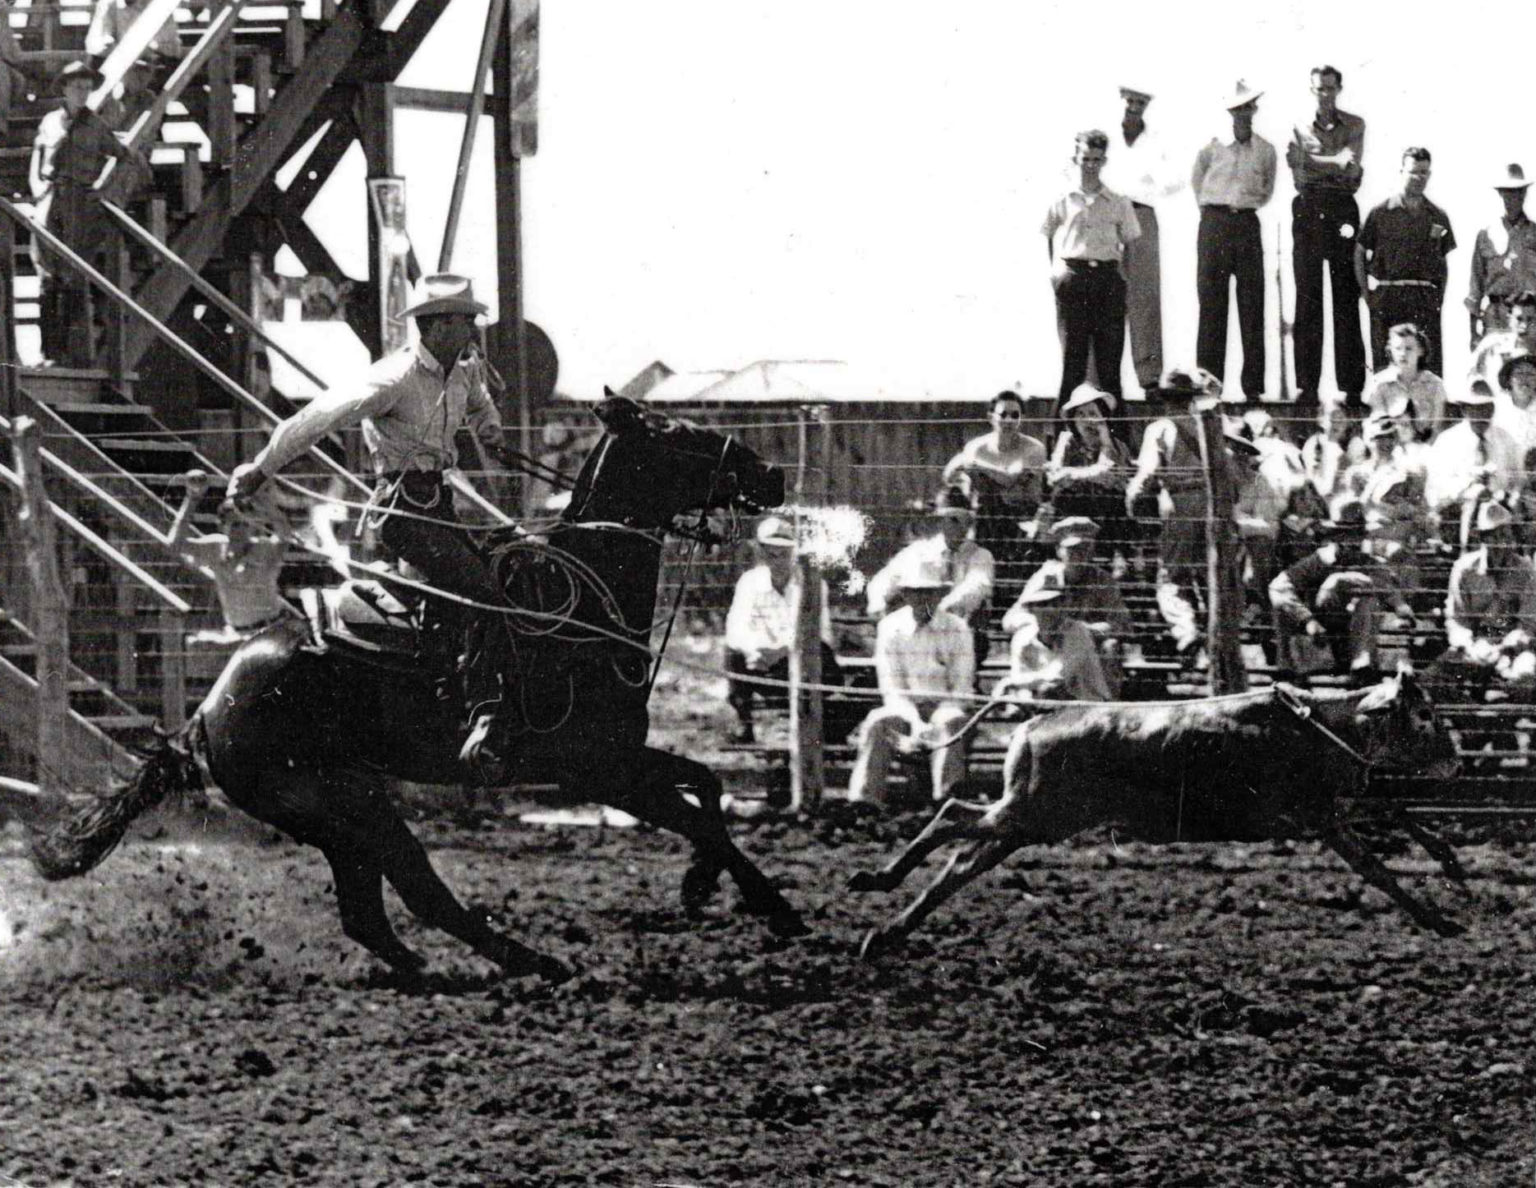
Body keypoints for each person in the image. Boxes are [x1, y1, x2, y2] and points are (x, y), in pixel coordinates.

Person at [225, 273, 513, 760]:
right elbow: (318, 417)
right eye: (467, 322)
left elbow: (481, 405)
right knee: (485, 593)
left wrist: (490, 431)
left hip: (438, 508)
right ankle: (484, 714)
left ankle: (449, 689)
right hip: (402, 512)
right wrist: (261, 468)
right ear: (436, 325)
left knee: (503, 571)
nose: (473, 332)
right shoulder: (393, 379)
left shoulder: (463, 371)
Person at [29, 61, 142, 366]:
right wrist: (38, 190)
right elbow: (37, 157)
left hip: (80, 203)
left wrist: (105, 191)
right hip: (50, 200)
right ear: (64, 88)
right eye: (77, 87)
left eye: (87, 88)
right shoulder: (51, 122)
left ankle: (70, 354)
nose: (82, 93)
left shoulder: (96, 126)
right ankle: (47, 352)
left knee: (74, 276)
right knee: (47, 279)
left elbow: (124, 157)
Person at [1126, 369, 1245, 652]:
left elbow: (1149, 472)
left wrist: (1133, 498)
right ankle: (1222, 644)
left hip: (1179, 504)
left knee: (1172, 577)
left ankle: (1186, 630)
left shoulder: (1160, 428)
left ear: (1164, 399)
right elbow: (1234, 474)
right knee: (1213, 576)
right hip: (1214, 503)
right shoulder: (1212, 426)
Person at [847, 554, 975, 806]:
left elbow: (961, 685)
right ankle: (863, 804)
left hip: (946, 707)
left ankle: (945, 803)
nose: (923, 599)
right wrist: (916, 722)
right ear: (905, 594)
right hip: (904, 710)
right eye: (916, 592)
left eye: (929, 592)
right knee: (878, 722)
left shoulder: (958, 628)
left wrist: (936, 718)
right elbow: (892, 687)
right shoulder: (890, 628)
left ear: (940, 595)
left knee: (952, 723)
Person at [722, 515, 852, 746]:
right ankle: (745, 724)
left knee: (820, 652)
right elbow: (736, 627)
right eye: (771, 553)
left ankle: (816, 728)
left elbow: (821, 634)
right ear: (760, 552)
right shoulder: (749, 582)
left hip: (803, 660)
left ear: (794, 553)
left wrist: (782, 650)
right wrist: (753, 650)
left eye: (784, 553)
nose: (778, 560)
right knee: (732, 653)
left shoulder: (811, 584)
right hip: (761, 664)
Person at [1043, 129, 1141, 427]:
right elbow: (1048, 235)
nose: (1090, 165)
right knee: (1073, 365)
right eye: (1086, 158)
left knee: (1110, 368)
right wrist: (1056, 273)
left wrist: (1122, 279)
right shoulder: (1063, 199)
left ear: (1104, 161)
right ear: (1076, 158)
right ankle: (1060, 441)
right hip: (1073, 279)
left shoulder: (1118, 201)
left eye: (1097, 159)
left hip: (1108, 282)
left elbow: (1131, 242)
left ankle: (1120, 445)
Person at [1287, 65, 1367, 415]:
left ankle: (1351, 387)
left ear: (1340, 88)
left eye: (1331, 88)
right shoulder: (1297, 126)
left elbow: (1350, 170)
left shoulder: (1355, 125)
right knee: (1307, 298)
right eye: (1320, 88)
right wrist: (1332, 163)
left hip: (1342, 211)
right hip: (1308, 209)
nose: (1325, 94)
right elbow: (1298, 173)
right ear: (1311, 89)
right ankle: (1307, 386)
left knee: (1345, 296)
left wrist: (1318, 162)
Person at [1192, 80, 1277, 405]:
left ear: (1254, 110)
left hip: (1246, 223)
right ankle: (1209, 385)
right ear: (1230, 112)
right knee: (1211, 305)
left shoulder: (1266, 150)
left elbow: (1267, 189)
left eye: (1248, 107)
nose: (1244, 113)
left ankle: (1253, 387)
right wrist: (1214, 211)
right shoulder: (1212, 146)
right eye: (1237, 108)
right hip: (1214, 224)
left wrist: (1242, 210)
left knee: (1252, 304)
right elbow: (1197, 182)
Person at [1270, 500, 1416, 684]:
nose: (1350, 540)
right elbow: (1279, 586)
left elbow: (1385, 584)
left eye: (1356, 534)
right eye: (1344, 534)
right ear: (1335, 536)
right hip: (1323, 627)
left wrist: (1399, 605)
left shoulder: (1369, 562)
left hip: (1356, 630)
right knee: (1339, 582)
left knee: (1369, 600)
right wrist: (1308, 620)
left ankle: (1362, 665)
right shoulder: (1320, 560)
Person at [1100, 83, 1183, 392]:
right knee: (1106, 295)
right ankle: (1102, 379)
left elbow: (1176, 180)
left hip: (1143, 213)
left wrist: (1152, 181)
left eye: (1142, 101)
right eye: (1131, 99)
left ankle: (1149, 375)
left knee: (1144, 297)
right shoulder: (1105, 135)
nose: (1135, 105)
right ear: (1122, 99)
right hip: (1107, 215)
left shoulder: (1158, 140)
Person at [995, 517, 1130, 703]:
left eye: (1084, 548)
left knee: (1110, 647)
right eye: (1072, 549)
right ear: (1060, 551)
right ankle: (1024, 700)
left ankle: (1105, 706)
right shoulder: (1047, 577)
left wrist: (1084, 630)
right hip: (1052, 644)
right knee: (1025, 637)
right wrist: (1043, 622)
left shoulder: (1103, 580)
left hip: (1089, 647)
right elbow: (1011, 618)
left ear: (1092, 550)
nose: (1079, 555)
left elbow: (1122, 625)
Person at [866, 487, 996, 668]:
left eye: (967, 521)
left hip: (959, 631)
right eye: (954, 520)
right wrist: (879, 604)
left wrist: (939, 612)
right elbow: (881, 582)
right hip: (916, 628)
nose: (962, 527)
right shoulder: (918, 552)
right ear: (940, 522)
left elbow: (976, 587)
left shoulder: (980, 556)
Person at [1354, 149, 1455, 375]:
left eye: (1423, 172)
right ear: (1401, 172)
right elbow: (1359, 252)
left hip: (1424, 299)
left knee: (1428, 370)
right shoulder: (1380, 212)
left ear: (1429, 174)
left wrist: (1439, 298)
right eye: (1412, 172)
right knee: (1386, 369)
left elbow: (1443, 262)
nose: (1418, 178)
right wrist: (1366, 293)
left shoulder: (1438, 216)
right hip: (1388, 297)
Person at [168, 469, 296, 643]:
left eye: (245, 524)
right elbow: (175, 545)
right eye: (235, 524)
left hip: (271, 631)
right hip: (236, 636)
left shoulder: (263, 548)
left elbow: (285, 535)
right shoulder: (215, 548)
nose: (241, 530)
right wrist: (192, 498)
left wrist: (262, 498)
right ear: (223, 526)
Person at [941, 390, 1046, 571]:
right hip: (986, 519)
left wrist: (977, 466)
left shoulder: (1034, 448)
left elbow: (1010, 480)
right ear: (991, 417)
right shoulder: (977, 447)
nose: (1009, 420)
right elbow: (949, 476)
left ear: (1022, 418)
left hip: (1023, 517)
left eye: (1015, 415)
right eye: (1003, 414)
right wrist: (965, 468)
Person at [1437, 498, 1536, 687]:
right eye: (1494, 536)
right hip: (1475, 645)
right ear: (1482, 539)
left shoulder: (1526, 570)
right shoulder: (1464, 569)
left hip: (1513, 646)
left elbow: (1528, 623)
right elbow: (1457, 619)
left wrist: (1506, 647)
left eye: (1506, 535)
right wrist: (1468, 646)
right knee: (1433, 678)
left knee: (1526, 675)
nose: (1502, 543)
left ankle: (1515, 715)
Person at [1046, 382, 1137, 574]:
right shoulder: (1067, 441)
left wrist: (1105, 442)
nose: (1088, 420)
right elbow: (1055, 477)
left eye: (1093, 414)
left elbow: (1110, 477)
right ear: (1073, 420)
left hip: (1108, 520)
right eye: (1081, 414)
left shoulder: (1117, 446)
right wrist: (1093, 474)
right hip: (1073, 514)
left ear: (1104, 418)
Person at [1423, 381, 1523, 518]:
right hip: (1458, 514)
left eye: (1485, 408)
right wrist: (1469, 486)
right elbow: (1434, 491)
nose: (1480, 414)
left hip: (1501, 514)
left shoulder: (1506, 441)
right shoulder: (1447, 442)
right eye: (1473, 408)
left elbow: (1519, 481)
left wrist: (1508, 497)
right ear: (1464, 410)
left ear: (1492, 409)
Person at [1466, 164, 1536, 347]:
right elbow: (1475, 287)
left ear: (1524, 194)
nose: (1513, 197)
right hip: (1496, 317)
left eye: (1518, 192)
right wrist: (1473, 333)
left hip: (1529, 318)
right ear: (1500, 193)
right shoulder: (1486, 235)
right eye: (1508, 192)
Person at [1361, 323, 1447, 442]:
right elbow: (1376, 424)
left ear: (1420, 351)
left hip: (1425, 450)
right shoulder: (1379, 383)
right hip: (1389, 449)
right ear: (1391, 351)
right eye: (1398, 348)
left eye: (1409, 348)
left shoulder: (1435, 384)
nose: (1403, 354)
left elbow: (1437, 428)